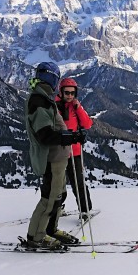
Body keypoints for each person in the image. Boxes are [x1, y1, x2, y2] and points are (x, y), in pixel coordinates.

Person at [23, 62, 83, 249]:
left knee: (59, 195)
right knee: (50, 197)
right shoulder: (39, 101)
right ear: (52, 78)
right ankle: (36, 237)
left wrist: (70, 136)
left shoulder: (44, 98)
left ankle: (50, 229)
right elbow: (45, 134)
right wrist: (71, 136)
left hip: (59, 158)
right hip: (51, 159)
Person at [47, 77, 94, 230]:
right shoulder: (54, 106)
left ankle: (85, 209)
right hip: (59, 151)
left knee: (78, 183)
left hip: (75, 152)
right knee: (58, 184)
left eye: (73, 93)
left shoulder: (75, 107)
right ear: (61, 91)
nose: (70, 96)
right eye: (67, 92)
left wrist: (78, 107)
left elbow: (87, 124)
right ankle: (58, 207)